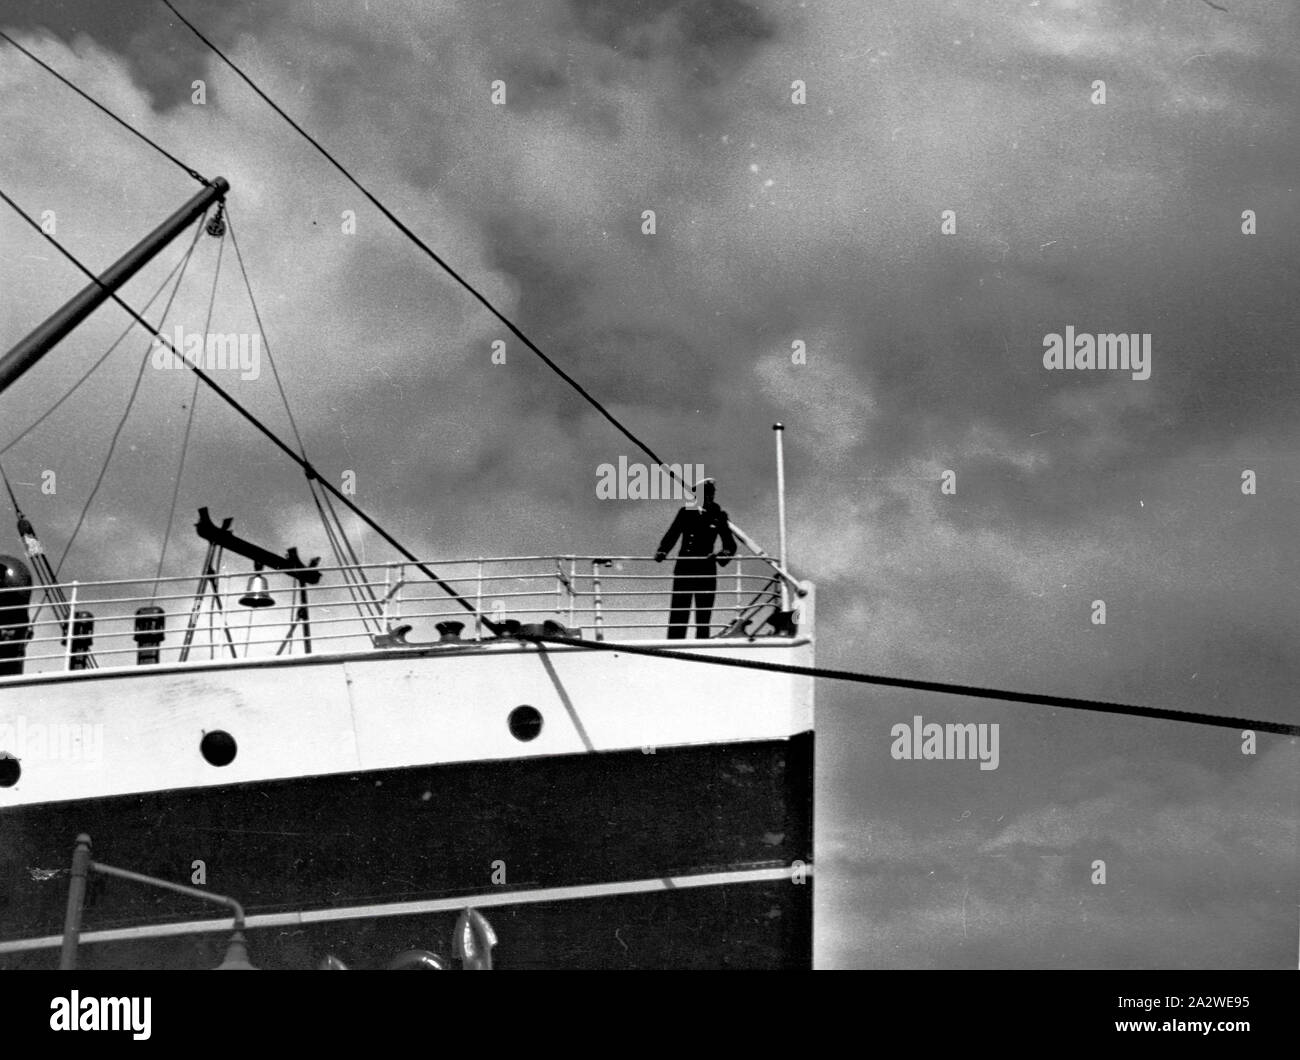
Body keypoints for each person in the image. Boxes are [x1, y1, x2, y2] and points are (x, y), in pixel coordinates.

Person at [654, 479, 737, 639]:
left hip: (706, 568)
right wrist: (663, 551)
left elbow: (730, 545)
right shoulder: (685, 512)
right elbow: (673, 533)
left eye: (711, 494)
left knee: (704, 614)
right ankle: (675, 647)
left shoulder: (719, 515)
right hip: (685, 567)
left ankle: (702, 646)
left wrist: (719, 556)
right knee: (679, 611)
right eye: (706, 495)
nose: (710, 498)